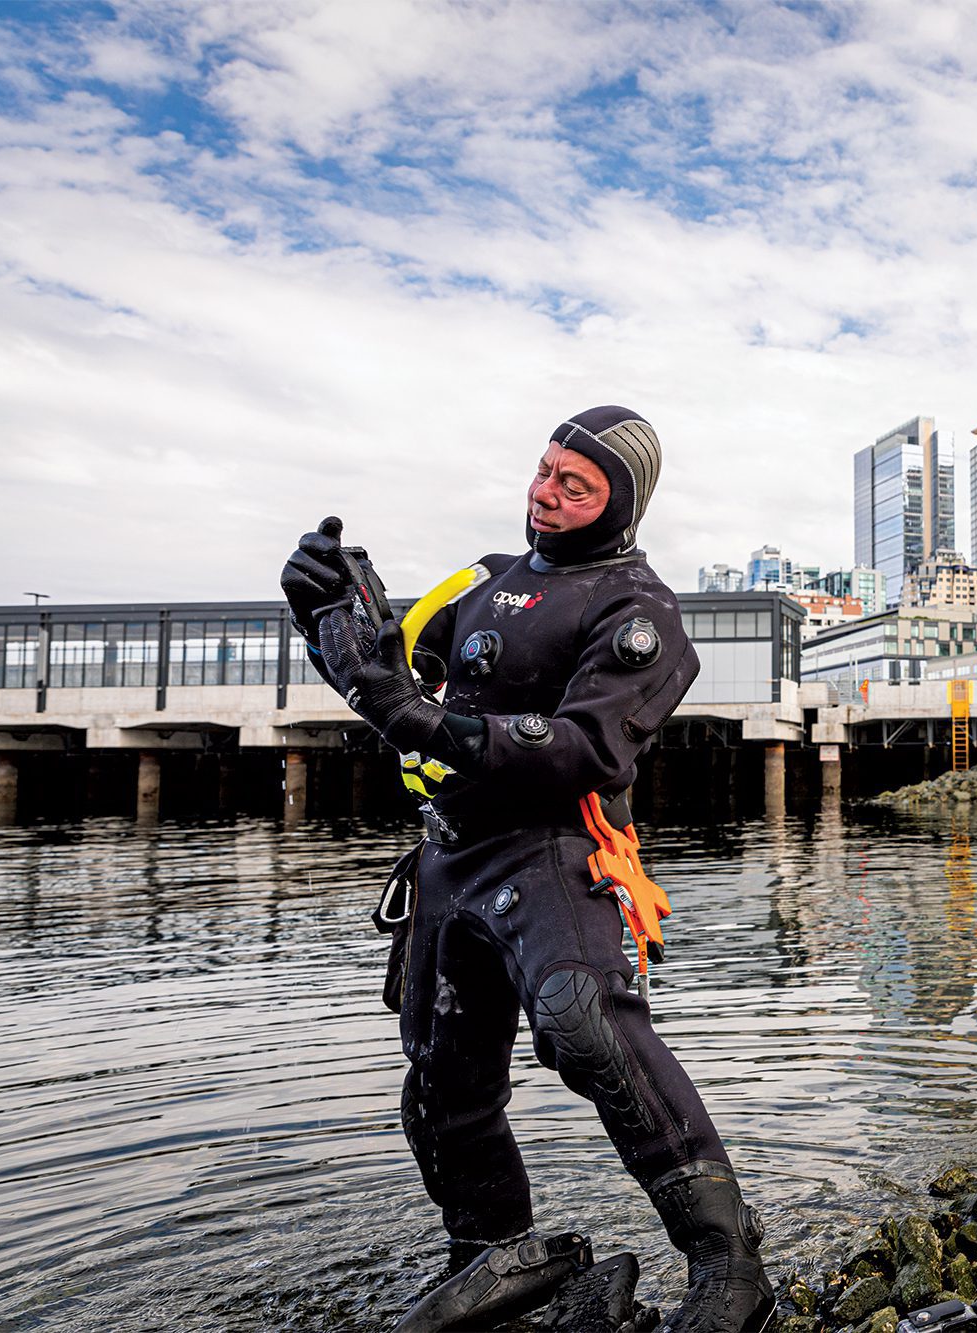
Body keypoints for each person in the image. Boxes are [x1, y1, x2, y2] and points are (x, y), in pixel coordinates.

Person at [281, 406, 775, 1333]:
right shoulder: (481, 582)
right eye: (546, 469)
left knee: (582, 1024)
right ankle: (493, 1252)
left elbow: (587, 747)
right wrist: (322, 618)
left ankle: (728, 1260)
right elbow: (388, 673)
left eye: (575, 485)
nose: (546, 493)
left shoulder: (640, 610)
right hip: (448, 855)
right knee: (439, 1078)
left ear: (620, 502)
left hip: (554, 845)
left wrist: (415, 717)